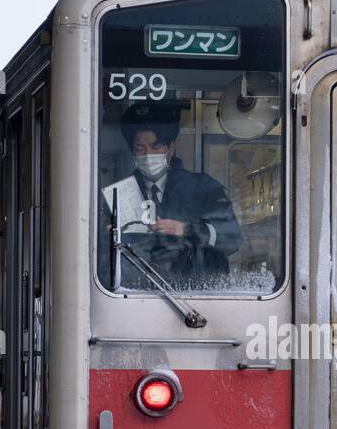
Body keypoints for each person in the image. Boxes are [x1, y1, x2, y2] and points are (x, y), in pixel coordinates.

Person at [102, 102, 242, 289]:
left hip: (196, 295)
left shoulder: (203, 188)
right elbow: (101, 257)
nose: (148, 155)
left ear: (171, 147)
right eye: (140, 149)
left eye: (156, 146)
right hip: (134, 295)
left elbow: (233, 238)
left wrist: (188, 230)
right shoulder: (117, 195)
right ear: (132, 152)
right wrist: (107, 237)